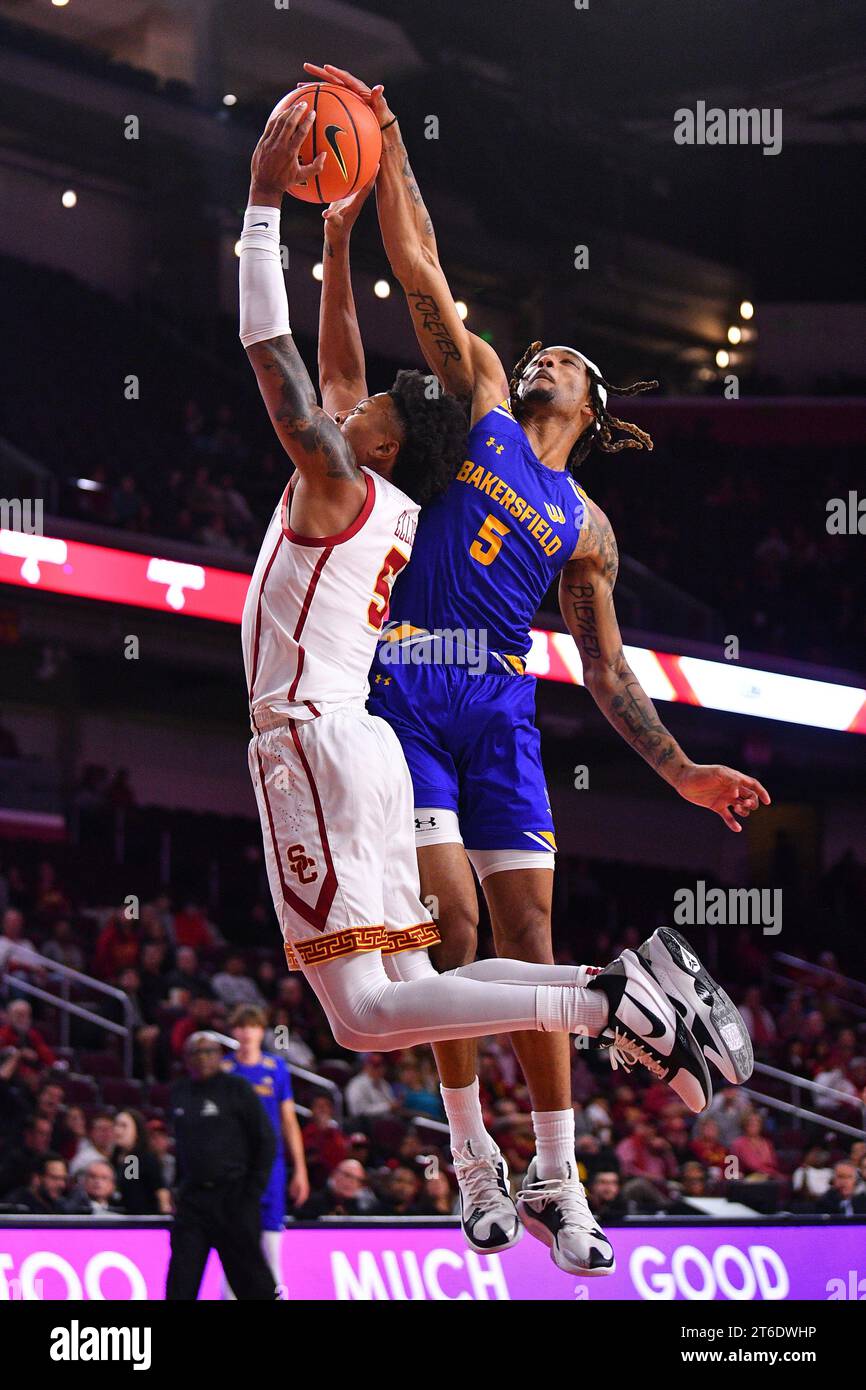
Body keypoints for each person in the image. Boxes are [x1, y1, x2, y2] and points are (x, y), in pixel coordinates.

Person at [236, 101, 748, 1279]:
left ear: (592, 405)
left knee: (524, 930)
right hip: (405, 690)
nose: (540, 358)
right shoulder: (473, 405)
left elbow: (606, 669)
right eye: (539, 353)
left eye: (563, 360)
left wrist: (677, 770)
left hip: (498, 712)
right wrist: (388, 149)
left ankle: (558, 1176)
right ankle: (472, 1159)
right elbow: (416, 269)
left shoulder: (586, 526)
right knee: (447, 937)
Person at [165, 1032, 277, 1301]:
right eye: (196, 1053)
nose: (203, 1058)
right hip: (193, 1202)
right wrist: (176, 1188)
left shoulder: (237, 1089)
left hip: (234, 1198)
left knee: (254, 1286)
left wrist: (252, 1191)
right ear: (186, 1059)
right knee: (180, 1284)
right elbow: (180, 1146)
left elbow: (265, 1140)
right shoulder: (179, 1093)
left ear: (219, 1056)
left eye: (209, 1052)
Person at [222, 1004, 310, 1293]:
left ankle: (273, 1291)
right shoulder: (225, 1070)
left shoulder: (276, 1069)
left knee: (271, 1236)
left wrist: (300, 1169)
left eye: (253, 1027)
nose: (247, 1033)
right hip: (235, 1165)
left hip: (271, 1165)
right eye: (241, 1027)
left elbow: (289, 1121)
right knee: (235, 1239)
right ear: (234, 1031)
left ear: (261, 1031)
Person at [111, 1109, 171, 1215]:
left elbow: (160, 1189)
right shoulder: (115, 1158)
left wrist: (165, 1214)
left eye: (124, 1126)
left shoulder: (144, 1158)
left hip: (143, 1221)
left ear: (137, 1130)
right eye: (116, 1125)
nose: (117, 1130)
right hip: (120, 1218)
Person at [345, 1053, 397, 1120]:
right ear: (366, 1066)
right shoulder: (356, 1084)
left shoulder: (384, 1083)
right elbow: (358, 1111)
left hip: (385, 1123)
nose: (380, 1069)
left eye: (382, 1066)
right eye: (376, 1066)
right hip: (363, 1125)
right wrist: (387, 1107)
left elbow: (391, 1104)